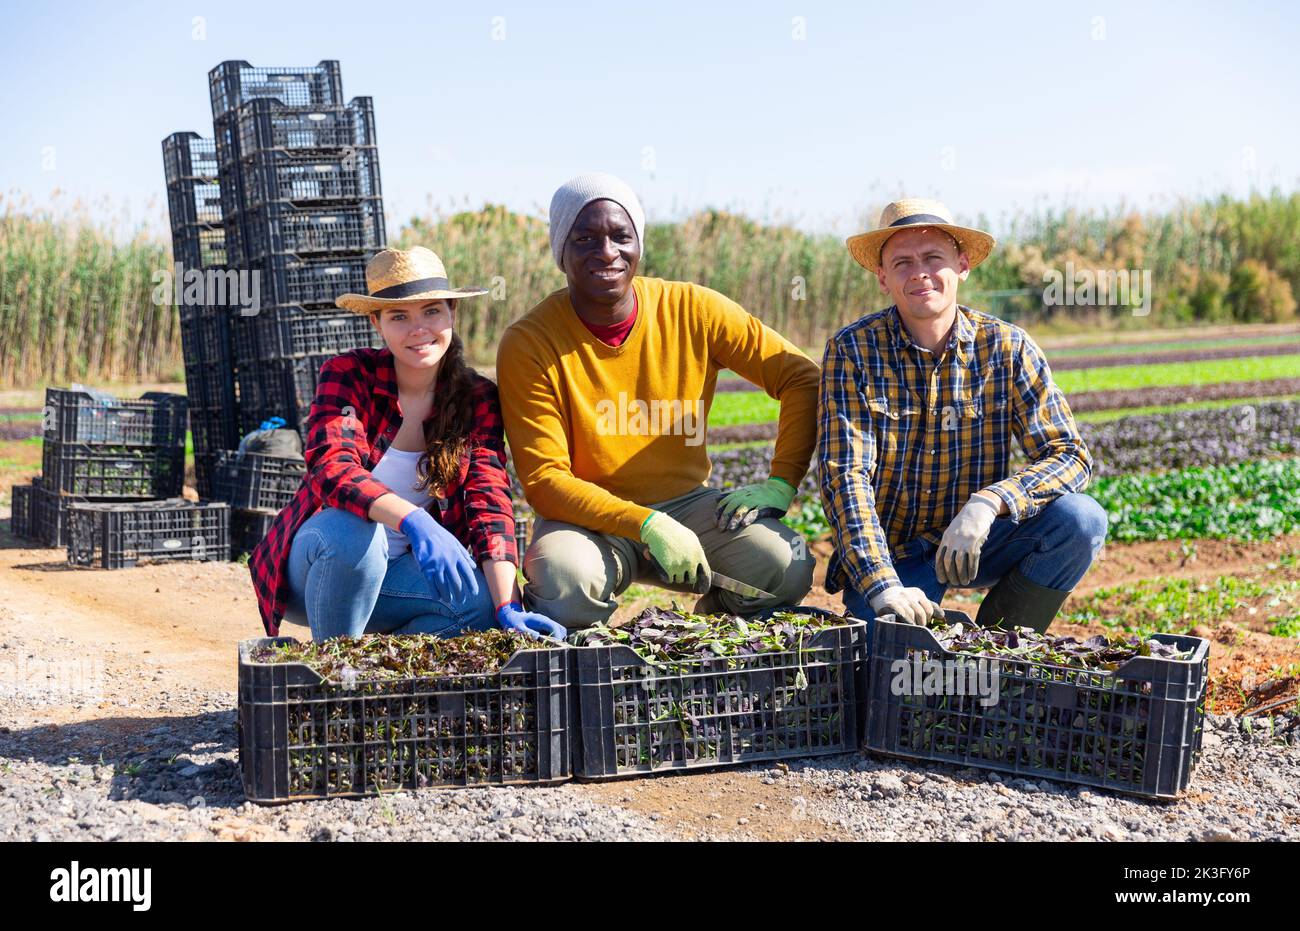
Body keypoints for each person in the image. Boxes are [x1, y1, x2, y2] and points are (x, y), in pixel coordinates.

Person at [496, 172, 820, 628]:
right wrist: (646, 524)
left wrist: (782, 483)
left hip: (687, 505)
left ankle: (720, 612)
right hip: (586, 519)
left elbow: (800, 377)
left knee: (787, 565)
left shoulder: (695, 310)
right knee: (566, 583)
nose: (606, 252)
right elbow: (546, 480)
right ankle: (592, 656)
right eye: (585, 238)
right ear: (560, 251)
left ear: (638, 244)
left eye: (619, 236)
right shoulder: (530, 342)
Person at [248, 246, 566, 643]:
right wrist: (415, 521)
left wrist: (508, 605)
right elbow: (334, 469)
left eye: (432, 311)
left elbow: (489, 499)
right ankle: (334, 672)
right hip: (323, 566)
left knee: (480, 603)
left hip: (401, 579)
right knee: (355, 532)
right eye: (399, 316)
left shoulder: (477, 397)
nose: (419, 329)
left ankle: (381, 666)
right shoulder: (349, 374)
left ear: (452, 313)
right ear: (377, 323)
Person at [819, 198, 1107, 635]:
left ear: (962, 265)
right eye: (902, 263)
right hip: (895, 554)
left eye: (934, 258)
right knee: (887, 648)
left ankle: (1002, 642)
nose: (920, 272)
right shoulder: (854, 351)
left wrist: (990, 502)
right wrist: (883, 586)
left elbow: (1070, 455)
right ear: (882, 278)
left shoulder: (1007, 348)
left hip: (981, 536)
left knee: (1081, 520)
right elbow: (846, 477)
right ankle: (894, 608)